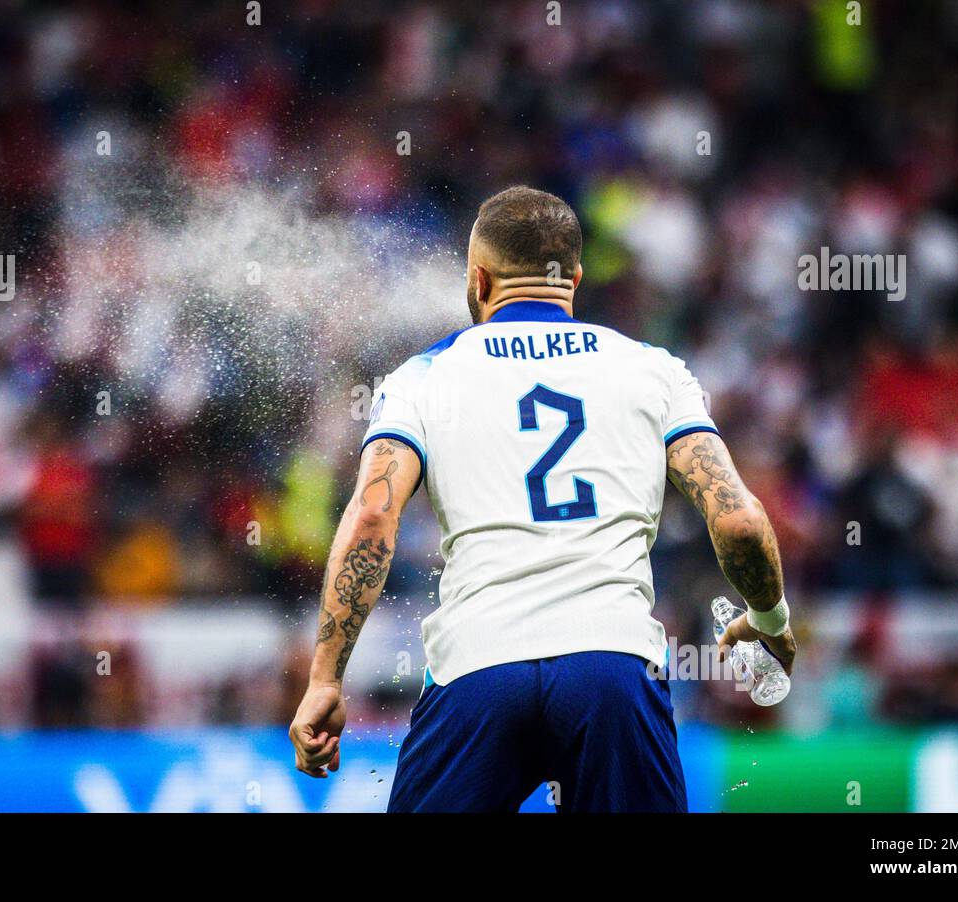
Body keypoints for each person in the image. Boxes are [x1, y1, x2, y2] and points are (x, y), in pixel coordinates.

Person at [288, 186, 796, 812]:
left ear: (478, 279)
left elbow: (370, 517)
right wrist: (770, 618)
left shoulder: (421, 378)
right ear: (574, 279)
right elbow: (739, 520)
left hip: (478, 669)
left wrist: (325, 679)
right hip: (612, 670)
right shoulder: (654, 370)